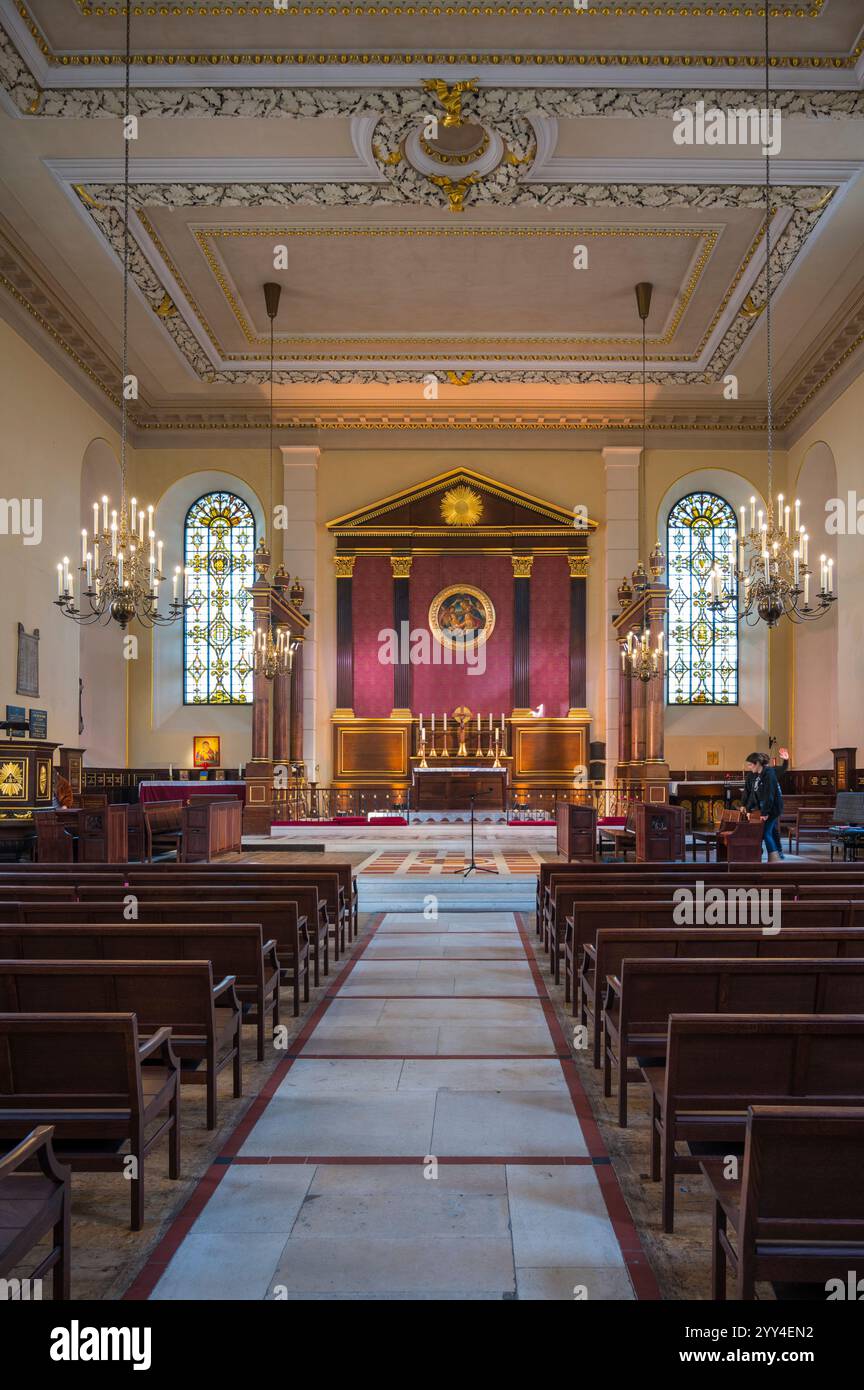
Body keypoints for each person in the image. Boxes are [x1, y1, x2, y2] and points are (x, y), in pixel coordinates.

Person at [743, 751, 784, 863]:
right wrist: (748, 807)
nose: (749, 767)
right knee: (767, 832)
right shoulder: (758, 775)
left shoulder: (769, 774)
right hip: (765, 809)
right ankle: (774, 856)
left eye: (750, 765)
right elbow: (753, 793)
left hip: (773, 809)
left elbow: (769, 795)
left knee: (766, 833)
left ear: (757, 764)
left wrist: (764, 813)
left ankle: (775, 859)